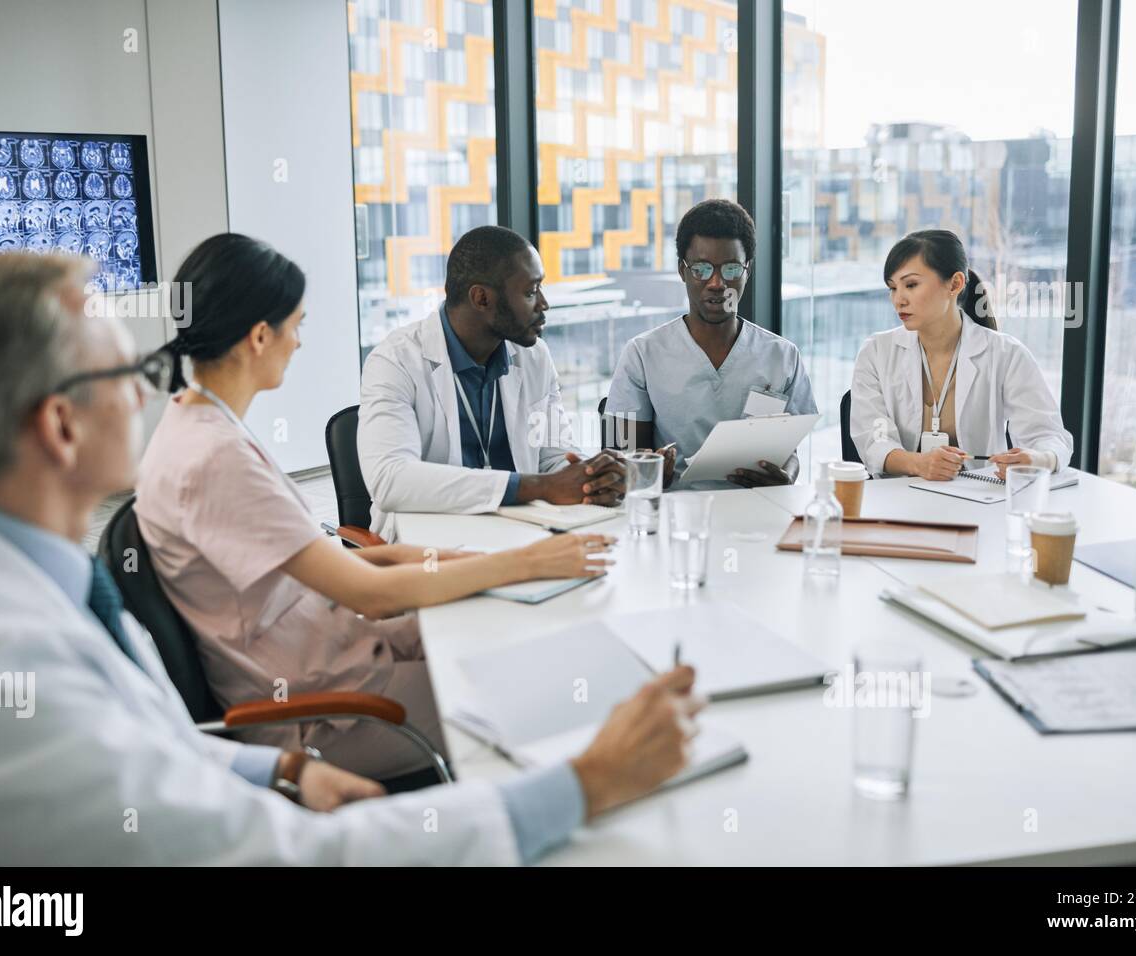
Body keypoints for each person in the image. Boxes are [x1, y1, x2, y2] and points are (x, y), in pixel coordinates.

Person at [0, 251, 703, 865]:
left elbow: (159, 745)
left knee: (538, 666)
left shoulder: (58, 576)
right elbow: (286, 852)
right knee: (548, 709)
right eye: (125, 376)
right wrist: (582, 785)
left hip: (316, 696)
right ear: (61, 426)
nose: (145, 396)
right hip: (323, 698)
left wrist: (278, 774)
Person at [135, 234, 619, 782]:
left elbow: (344, 566)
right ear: (260, 336)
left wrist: (481, 565)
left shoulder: (203, 425)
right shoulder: (213, 457)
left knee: (523, 636)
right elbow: (365, 588)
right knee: (548, 688)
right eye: (296, 325)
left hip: (338, 650)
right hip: (321, 710)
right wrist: (527, 564)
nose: (299, 343)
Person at [358, 225, 626, 538]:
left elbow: (554, 456)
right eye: (530, 291)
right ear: (482, 298)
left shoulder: (534, 357)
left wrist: (591, 479)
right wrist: (537, 486)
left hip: (519, 532)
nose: (544, 304)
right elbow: (391, 480)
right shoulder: (395, 360)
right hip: (429, 543)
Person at [603, 199, 817, 489]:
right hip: (675, 513)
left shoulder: (782, 356)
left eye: (730, 269)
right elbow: (620, 455)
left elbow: (789, 452)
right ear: (683, 270)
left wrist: (787, 476)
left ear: (747, 271)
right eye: (701, 269)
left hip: (755, 508)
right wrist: (648, 472)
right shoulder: (642, 354)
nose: (716, 283)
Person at [850, 229, 1072, 480]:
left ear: (955, 283)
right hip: (899, 499)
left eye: (911, 285)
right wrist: (918, 464)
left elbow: (1050, 436)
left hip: (980, 499)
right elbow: (873, 438)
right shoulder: (876, 352)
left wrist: (1038, 459)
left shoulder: (1006, 354)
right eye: (892, 288)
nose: (898, 299)